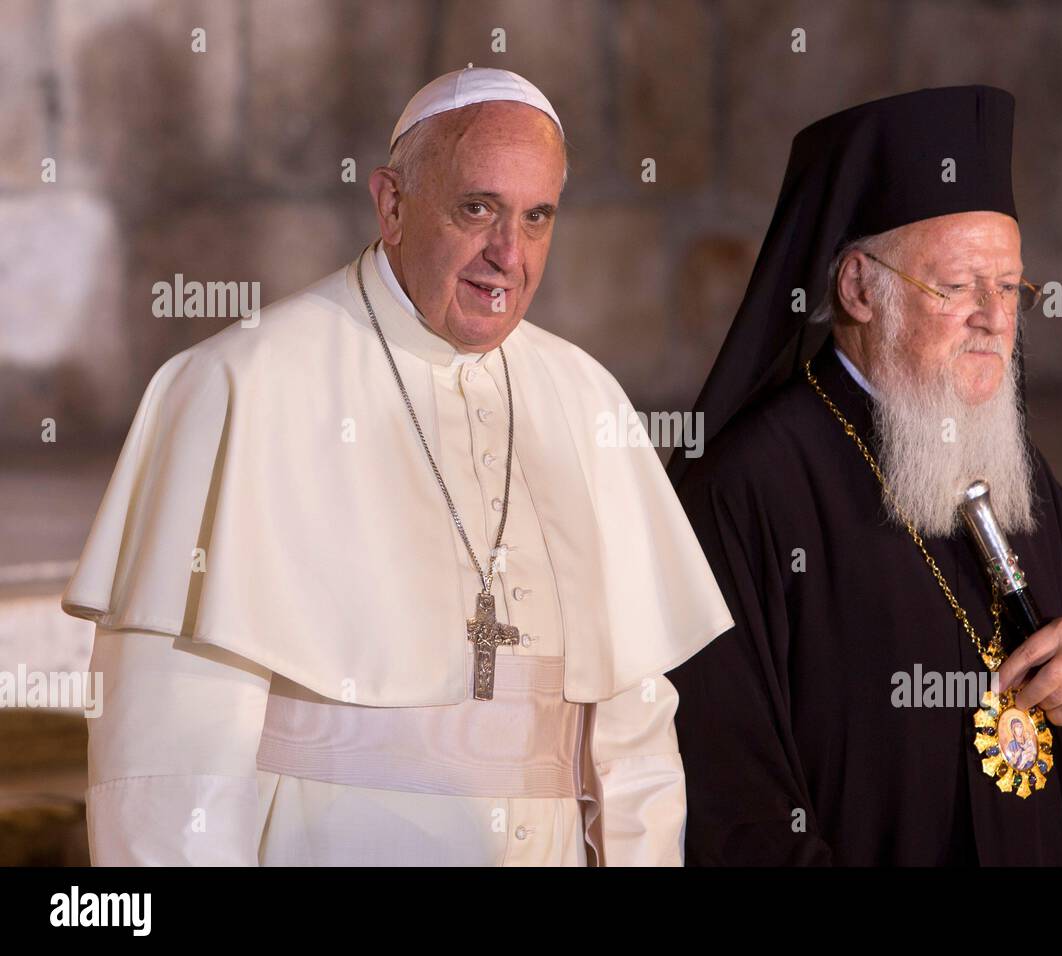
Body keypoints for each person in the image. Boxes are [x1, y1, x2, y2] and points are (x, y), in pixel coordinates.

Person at [62, 66, 732, 866]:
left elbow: (637, 740)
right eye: (476, 208)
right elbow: (165, 761)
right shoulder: (240, 383)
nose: (506, 255)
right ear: (390, 204)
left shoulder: (585, 396)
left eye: (537, 216)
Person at [667, 86, 1062, 866]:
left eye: (1010, 287)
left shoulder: (1022, 478)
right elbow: (733, 796)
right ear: (856, 288)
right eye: (956, 286)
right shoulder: (747, 491)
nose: (995, 318)